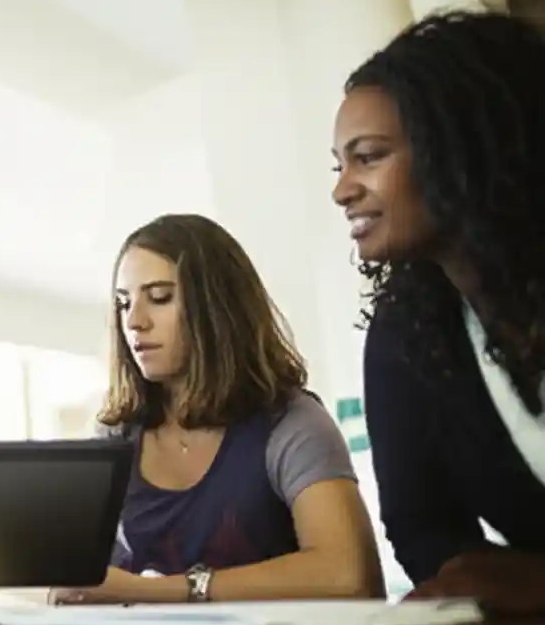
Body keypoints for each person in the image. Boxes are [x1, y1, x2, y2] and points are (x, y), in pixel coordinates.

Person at [332, 10, 545, 615]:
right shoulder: (407, 329)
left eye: (368, 156)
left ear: (465, 149)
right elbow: (422, 528)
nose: (343, 189)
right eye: (339, 164)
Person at [54, 214, 382, 604]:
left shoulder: (293, 424)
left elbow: (350, 577)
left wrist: (160, 591)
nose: (135, 322)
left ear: (216, 306)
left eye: (159, 298)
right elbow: (81, 586)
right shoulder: (116, 436)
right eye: (124, 304)